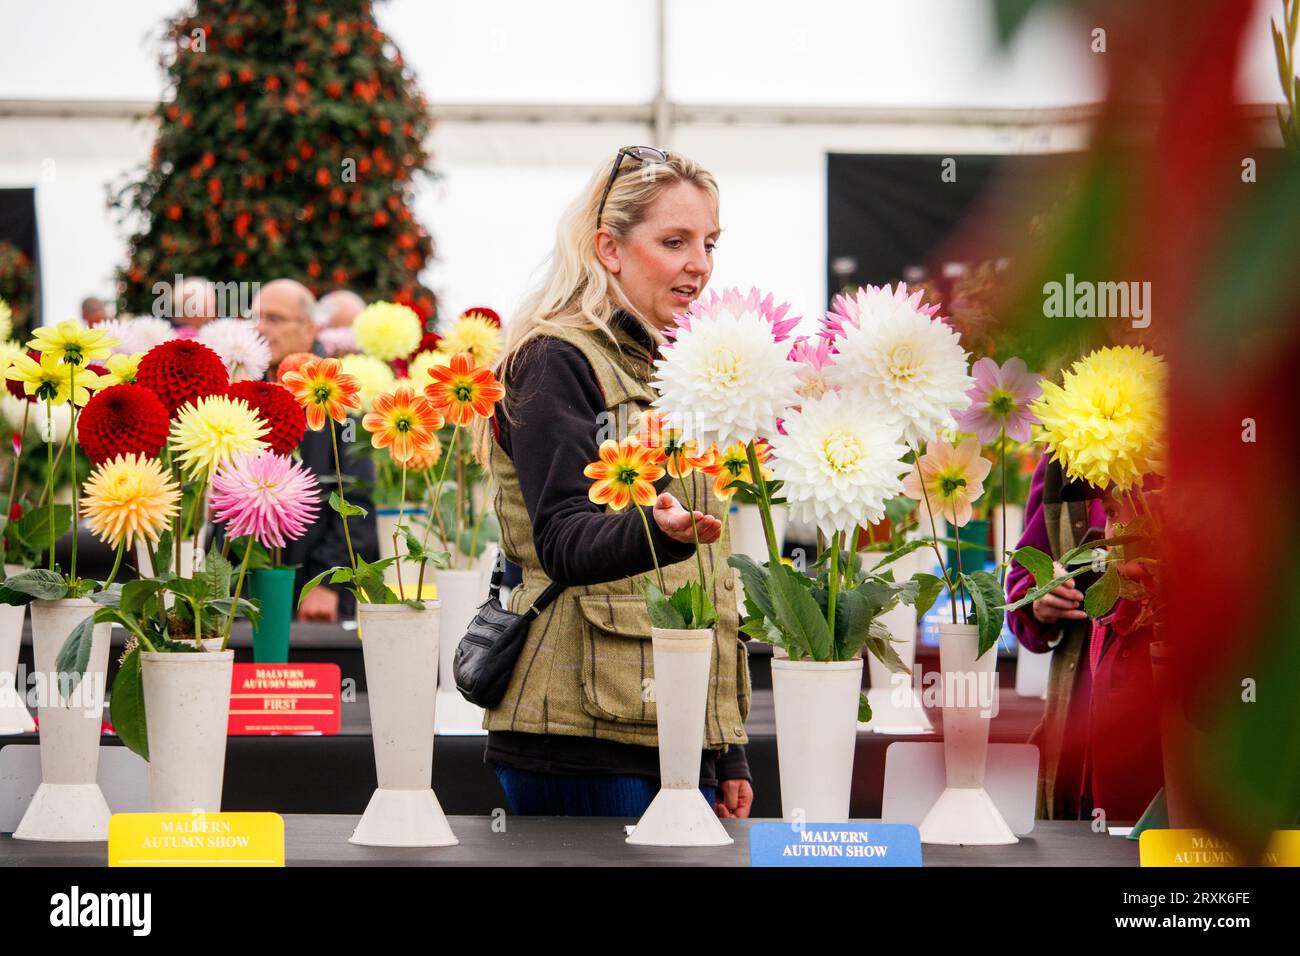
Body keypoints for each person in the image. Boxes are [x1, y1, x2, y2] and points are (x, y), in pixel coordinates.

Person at [471, 148, 753, 819]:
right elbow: (563, 539)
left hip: (678, 738)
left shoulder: (681, 367)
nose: (700, 264)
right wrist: (657, 531)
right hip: (576, 741)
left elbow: (710, 577)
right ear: (609, 248)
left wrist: (728, 750)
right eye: (674, 241)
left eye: (709, 243)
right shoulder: (554, 359)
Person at [1006, 456, 1162, 822]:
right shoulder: (1068, 446)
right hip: (1088, 697)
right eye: (1108, 510)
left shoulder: (1208, 428)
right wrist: (1039, 597)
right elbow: (1021, 583)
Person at [249, 278, 378, 622]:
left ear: (309, 329)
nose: (261, 328)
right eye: (256, 318)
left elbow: (357, 499)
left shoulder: (337, 396)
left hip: (314, 594)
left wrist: (329, 582)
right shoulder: (246, 393)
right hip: (248, 591)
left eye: (274, 319)